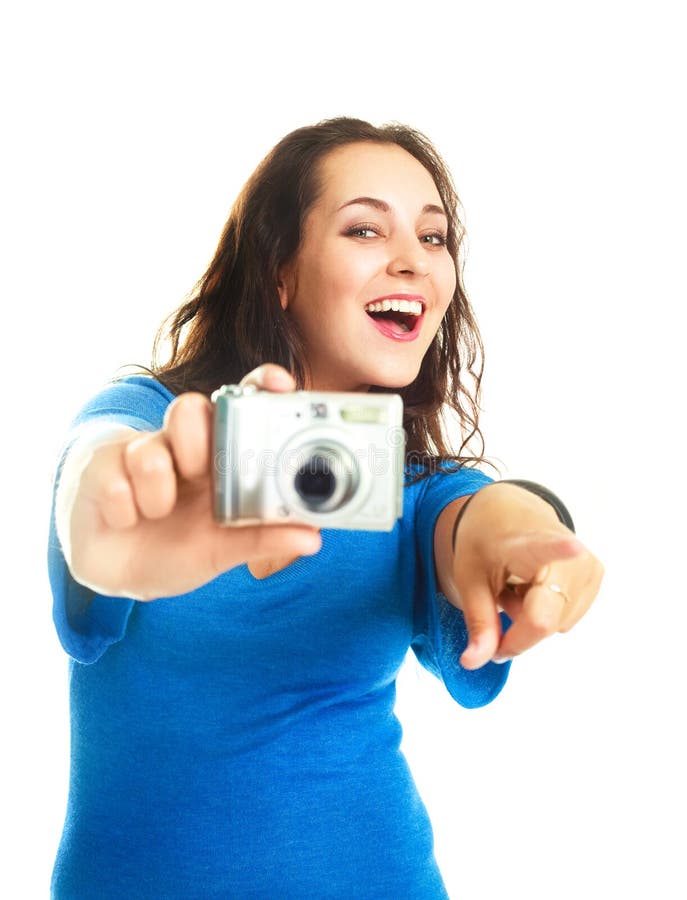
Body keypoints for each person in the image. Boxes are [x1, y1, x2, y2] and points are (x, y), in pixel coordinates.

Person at [48, 117, 603, 898]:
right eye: (365, 228)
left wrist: (531, 537)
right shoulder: (153, 418)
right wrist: (112, 531)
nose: (413, 259)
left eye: (435, 237)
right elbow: (94, 473)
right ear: (280, 270)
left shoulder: (410, 488)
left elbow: (481, 514)